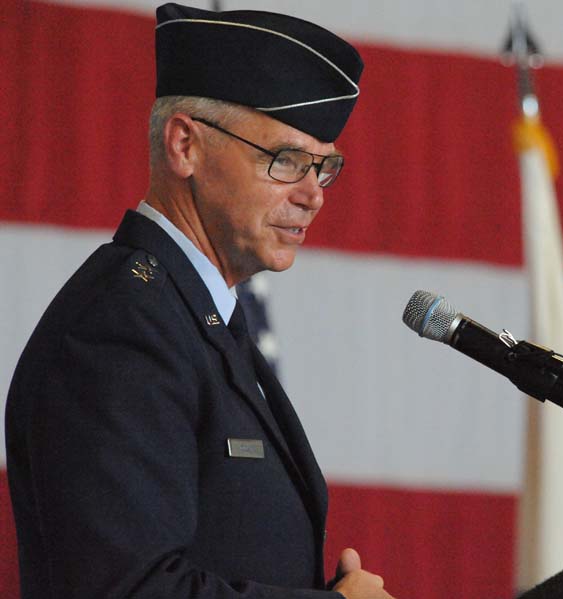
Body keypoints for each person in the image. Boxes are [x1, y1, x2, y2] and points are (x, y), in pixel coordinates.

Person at [4, 3, 395, 598]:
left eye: (325, 166)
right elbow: (127, 590)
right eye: (286, 160)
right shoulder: (119, 329)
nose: (313, 195)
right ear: (185, 145)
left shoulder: (188, 315)